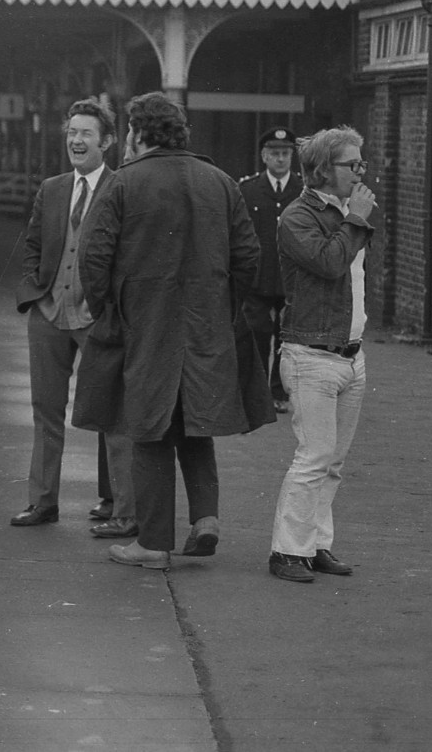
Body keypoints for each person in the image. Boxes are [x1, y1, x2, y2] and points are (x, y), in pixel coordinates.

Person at [78, 91, 274, 570]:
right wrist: (221, 306)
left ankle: (152, 544)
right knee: (195, 423)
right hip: (206, 324)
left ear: (139, 134)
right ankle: (206, 519)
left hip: (146, 325)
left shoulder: (122, 184)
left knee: (148, 429)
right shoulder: (221, 182)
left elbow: (94, 256)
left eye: (129, 130)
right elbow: (248, 256)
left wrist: (109, 309)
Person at [9, 98, 134, 535]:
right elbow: (33, 245)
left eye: (86, 134)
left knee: (112, 414)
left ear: (108, 142)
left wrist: (111, 308)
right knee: (45, 410)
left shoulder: (122, 188)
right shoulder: (53, 188)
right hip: (48, 314)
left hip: (97, 318)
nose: (76, 141)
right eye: (72, 133)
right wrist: (34, 291)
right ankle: (42, 502)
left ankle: (122, 509)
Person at [267, 127, 376, 583]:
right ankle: (287, 551)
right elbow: (329, 264)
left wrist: (355, 217)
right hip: (311, 354)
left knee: (333, 463)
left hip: (351, 354)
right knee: (314, 456)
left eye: (361, 162)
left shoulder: (349, 211)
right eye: (351, 164)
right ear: (323, 169)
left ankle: (315, 544)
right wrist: (356, 219)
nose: (360, 171)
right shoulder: (298, 216)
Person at [238, 127, 302, 414]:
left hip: (291, 277)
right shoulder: (248, 189)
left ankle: (279, 392)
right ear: (264, 156)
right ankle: (257, 394)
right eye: (274, 153)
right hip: (258, 277)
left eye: (285, 153)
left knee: (286, 338)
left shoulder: (303, 190)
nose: (280, 159)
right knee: (257, 334)